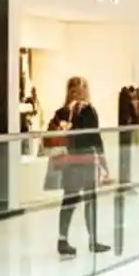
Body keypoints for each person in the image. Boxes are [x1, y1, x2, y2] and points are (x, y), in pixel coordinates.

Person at [50, 76, 111, 256]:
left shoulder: (61, 113)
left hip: (69, 161)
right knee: (90, 200)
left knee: (68, 200)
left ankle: (62, 239)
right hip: (85, 160)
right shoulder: (89, 111)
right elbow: (95, 138)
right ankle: (93, 240)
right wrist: (103, 161)